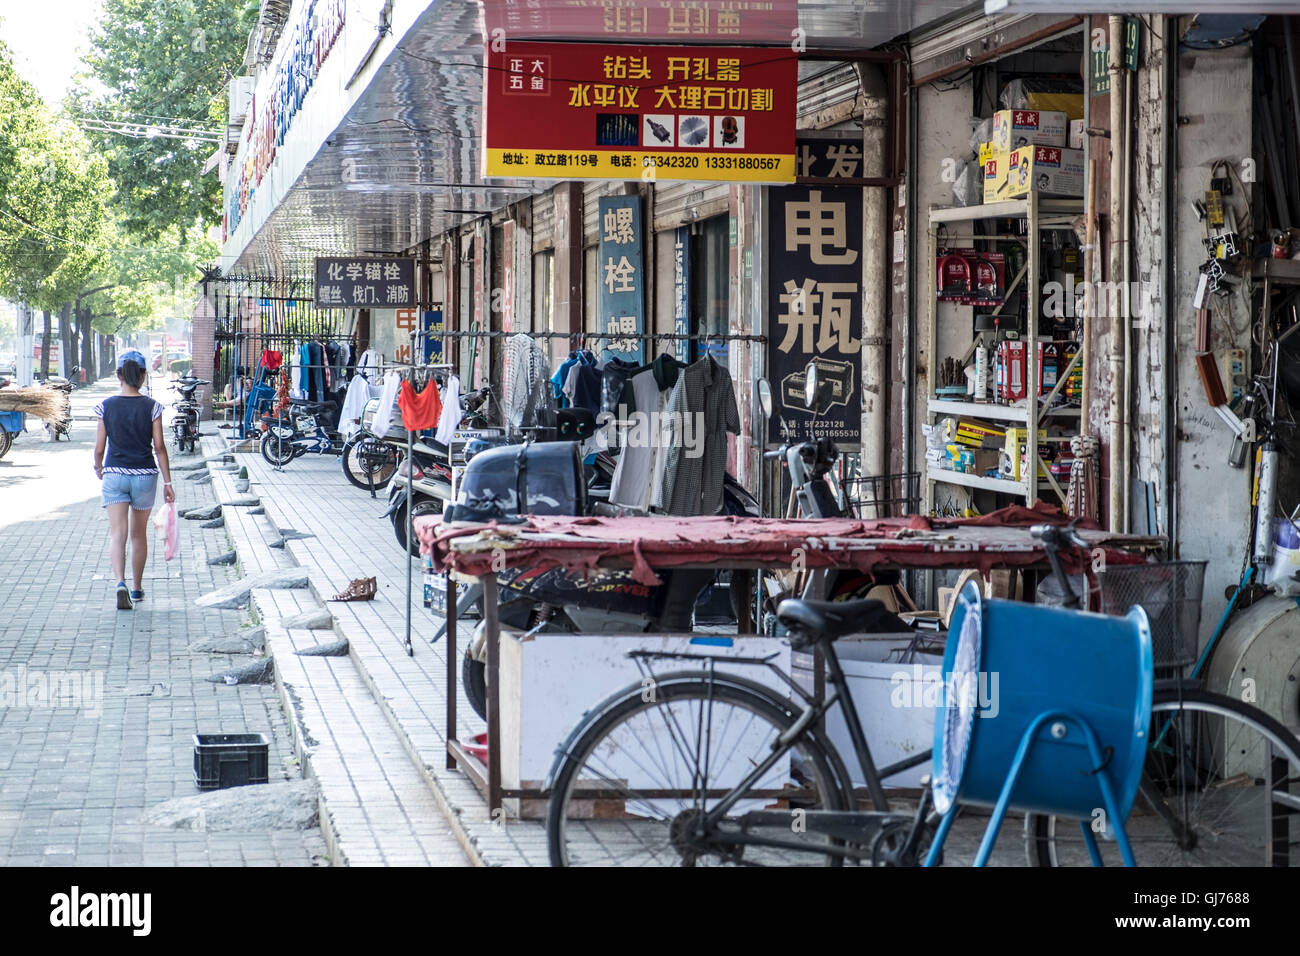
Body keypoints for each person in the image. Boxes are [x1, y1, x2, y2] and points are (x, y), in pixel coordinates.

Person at [92, 350, 175, 610]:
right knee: (138, 534)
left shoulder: (106, 406)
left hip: (114, 474)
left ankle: (120, 583)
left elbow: (98, 448)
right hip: (145, 476)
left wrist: (98, 467)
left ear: (118, 375)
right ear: (142, 376)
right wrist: (168, 483)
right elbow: (160, 447)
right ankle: (137, 588)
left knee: (118, 533)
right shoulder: (153, 407)